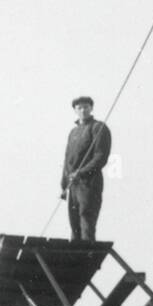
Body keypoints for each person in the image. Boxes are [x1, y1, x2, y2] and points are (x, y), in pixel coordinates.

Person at [60, 96, 112, 242]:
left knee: (86, 219)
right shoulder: (73, 133)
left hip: (89, 183)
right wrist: (64, 185)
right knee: (74, 223)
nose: (83, 110)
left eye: (86, 107)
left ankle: (87, 256)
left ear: (91, 108)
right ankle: (75, 261)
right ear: (75, 110)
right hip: (73, 185)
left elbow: (101, 156)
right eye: (79, 108)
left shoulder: (98, 127)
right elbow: (67, 160)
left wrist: (82, 172)